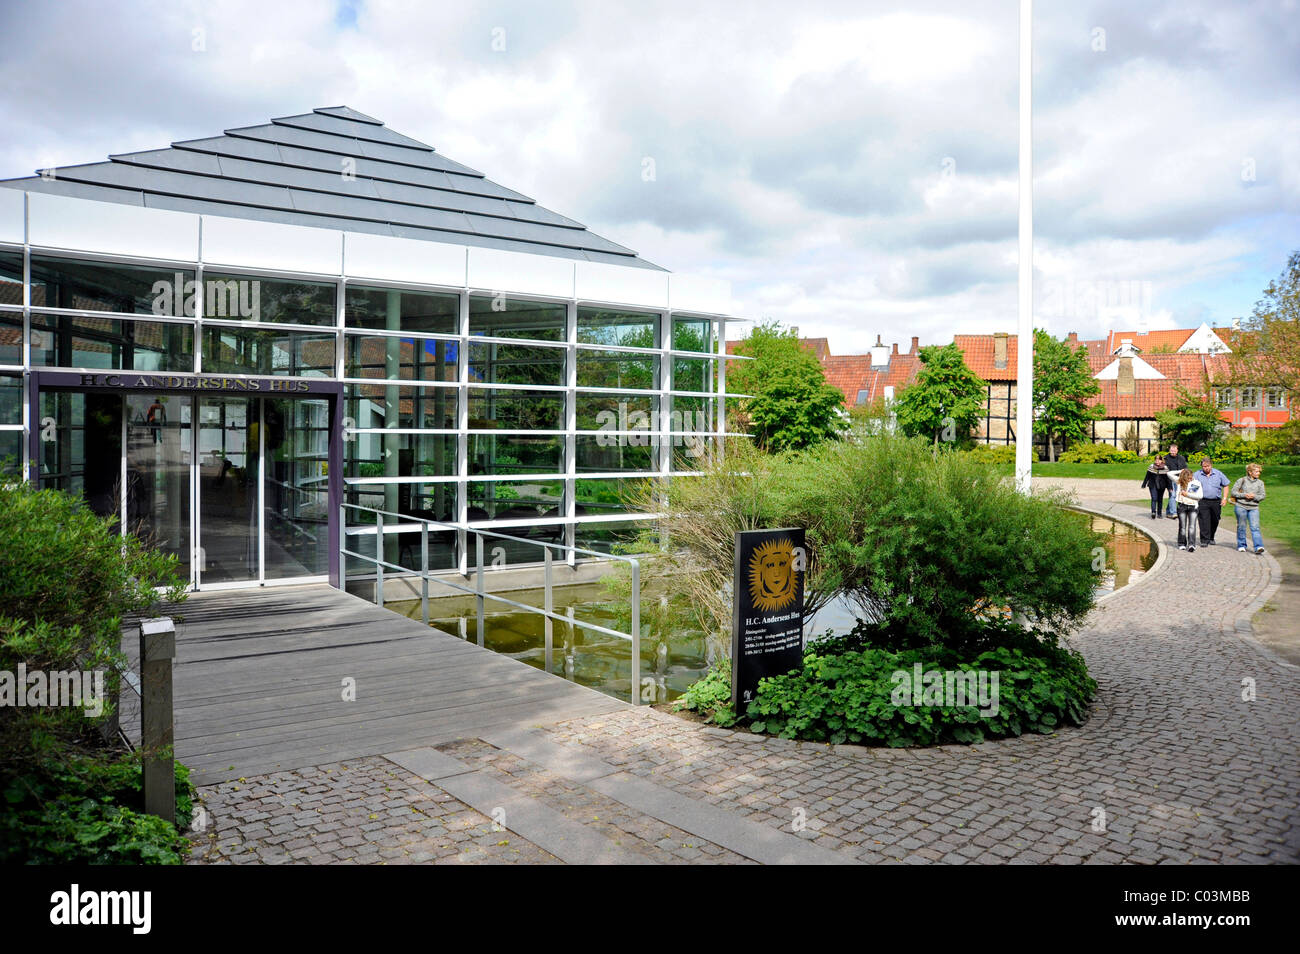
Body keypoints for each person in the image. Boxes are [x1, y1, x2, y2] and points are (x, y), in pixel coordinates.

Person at [1231, 463, 1267, 554]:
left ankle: (1258, 547)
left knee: (1255, 528)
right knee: (1241, 526)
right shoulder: (1241, 480)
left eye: (1259, 471)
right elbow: (1234, 492)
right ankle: (1241, 545)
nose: (1258, 473)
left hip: (1254, 508)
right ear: (1250, 472)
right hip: (1241, 506)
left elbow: (1263, 496)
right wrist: (1244, 495)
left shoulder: (1260, 483)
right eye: (1256, 471)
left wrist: (1254, 496)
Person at [1195, 456, 1231, 546]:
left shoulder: (1218, 474)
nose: (1206, 468)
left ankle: (1211, 537)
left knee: (1215, 520)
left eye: (1208, 466)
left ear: (1211, 465)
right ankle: (1204, 540)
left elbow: (1226, 485)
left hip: (1216, 501)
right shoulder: (1197, 475)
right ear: (1201, 466)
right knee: (1204, 520)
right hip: (1202, 501)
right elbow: (1192, 486)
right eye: (1204, 466)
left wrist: (1225, 498)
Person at [1174, 468, 1203, 551]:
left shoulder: (1196, 483)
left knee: (1192, 526)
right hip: (1182, 505)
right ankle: (1182, 543)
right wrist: (1180, 471)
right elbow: (1169, 474)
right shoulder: (1180, 482)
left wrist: (1188, 495)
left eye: (1191, 477)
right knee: (1182, 526)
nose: (1190, 479)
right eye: (1188, 478)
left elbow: (1200, 496)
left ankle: (1191, 544)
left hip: (1193, 506)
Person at [1140, 453, 1169, 519]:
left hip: (1162, 486)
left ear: (1161, 461)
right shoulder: (1151, 467)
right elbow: (1147, 476)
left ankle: (1159, 513)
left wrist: (1169, 487)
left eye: (1159, 460)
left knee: (1160, 499)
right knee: (1154, 498)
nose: (1157, 461)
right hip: (1152, 485)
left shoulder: (1165, 468)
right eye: (1156, 460)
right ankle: (1153, 512)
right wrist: (1144, 484)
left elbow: (1167, 479)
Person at [1163, 443, 1188, 518]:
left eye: (1174, 450)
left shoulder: (1181, 458)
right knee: (1173, 495)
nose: (1173, 451)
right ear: (1169, 450)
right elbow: (1165, 472)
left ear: (1177, 450)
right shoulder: (1165, 458)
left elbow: (1185, 468)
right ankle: (1173, 513)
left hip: (1179, 480)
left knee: (1174, 496)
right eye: (1171, 450)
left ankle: (1168, 512)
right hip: (1169, 480)